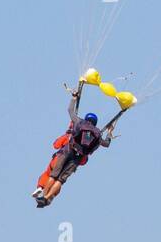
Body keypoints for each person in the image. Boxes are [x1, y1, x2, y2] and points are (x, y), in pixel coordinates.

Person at [33, 79, 116, 208]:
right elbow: (106, 144)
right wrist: (110, 133)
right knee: (61, 180)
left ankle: (44, 195)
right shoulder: (98, 134)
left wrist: (73, 97)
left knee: (54, 175)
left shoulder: (79, 122)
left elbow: (70, 110)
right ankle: (48, 198)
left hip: (67, 151)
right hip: (77, 158)